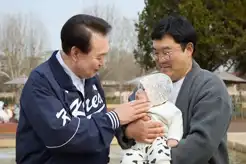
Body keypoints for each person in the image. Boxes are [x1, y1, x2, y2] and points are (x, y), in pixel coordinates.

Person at [15, 14, 161, 164]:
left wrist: (127, 130)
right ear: (75, 53)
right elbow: (64, 137)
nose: (102, 63)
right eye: (99, 57)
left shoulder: (90, 77)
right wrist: (115, 118)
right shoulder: (41, 82)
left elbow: (96, 122)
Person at [117, 15, 232, 164]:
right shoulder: (148, 85)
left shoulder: (211, 88)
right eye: (156, 53)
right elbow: (123, 121)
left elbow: (201, 145)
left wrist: (159, 158)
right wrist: (129, 131)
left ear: (189, 49)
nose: (161, 59)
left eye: (166, 52)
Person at [121, 73, 183, 164]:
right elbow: (124, 120)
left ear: (154, 93)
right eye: (139, 88)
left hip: (159, 141)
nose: (137, 92)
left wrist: (173, 138)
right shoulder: (135, 106)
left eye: (143, 90)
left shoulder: (169, 109)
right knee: (129, 157)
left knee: (161, 155)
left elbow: (176, 122)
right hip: (137, 145)